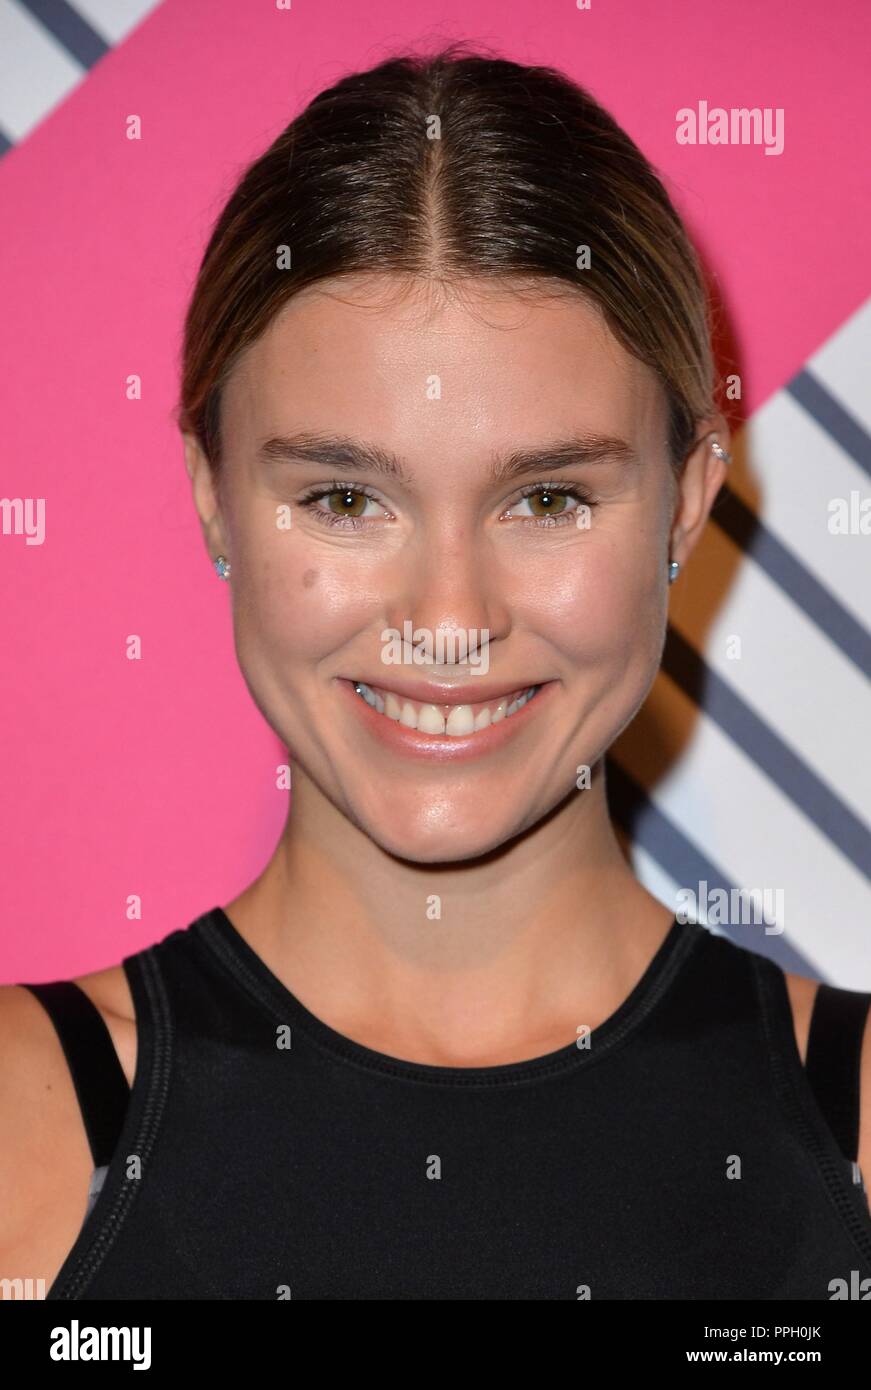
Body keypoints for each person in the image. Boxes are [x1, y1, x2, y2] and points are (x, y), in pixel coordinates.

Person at [2, 43, 869, 1301]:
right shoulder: (26, 1133)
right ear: (213, 497)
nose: (448, 618)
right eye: (347, 497)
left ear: (687, 502)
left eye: (550, 497)